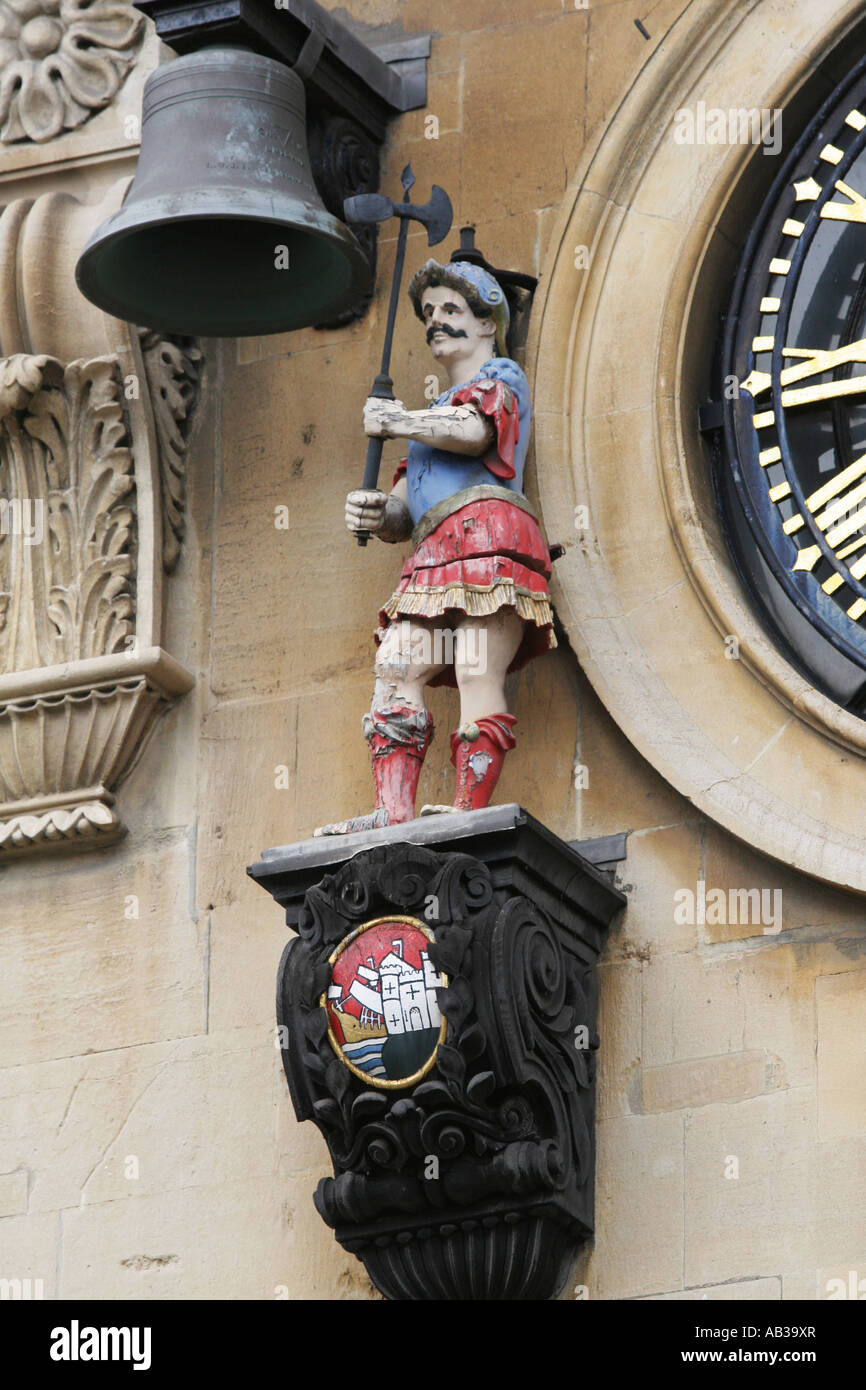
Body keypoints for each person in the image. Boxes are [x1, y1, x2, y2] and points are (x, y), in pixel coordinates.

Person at [315, 259, 556, 835]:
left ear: (486, 323)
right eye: (429, 313)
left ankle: (470, 810)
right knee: (397, 662)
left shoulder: (500, 378)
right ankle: (392, 808)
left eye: (451, 310)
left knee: (475, 667)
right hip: (434, 549)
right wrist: (379, 511)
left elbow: (475, 433)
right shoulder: (432, 415)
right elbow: (406, 506)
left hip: (488, 535)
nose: (435, 322)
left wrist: (401, 419)